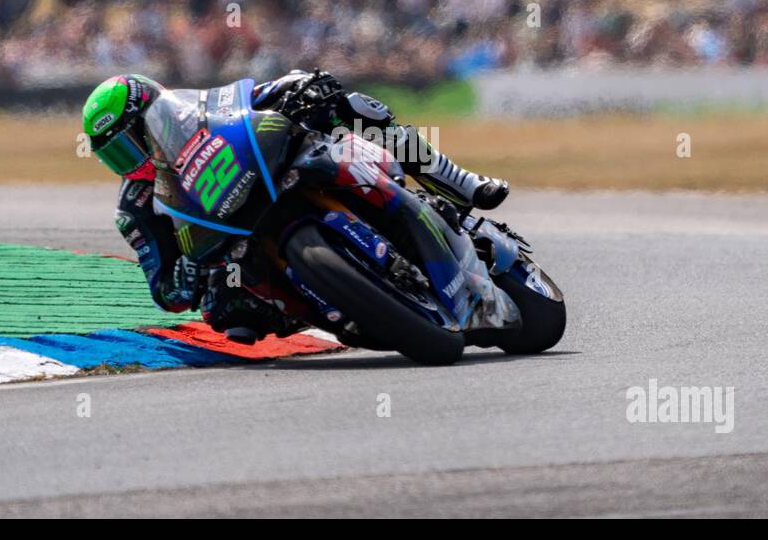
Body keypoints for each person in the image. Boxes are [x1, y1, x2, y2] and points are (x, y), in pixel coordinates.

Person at [81, 71, 509, 341]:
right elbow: (166, 292)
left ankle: (461, 183)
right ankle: (352, 306)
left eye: (132, 142)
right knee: (231, 315)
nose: (134, 160)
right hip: (235, 250)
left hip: (286, 172)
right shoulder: (136, 209)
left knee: (356, 108)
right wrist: (190, 267)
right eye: (117, 155)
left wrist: (304, 86)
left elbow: (270, 91)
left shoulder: (210, 107)